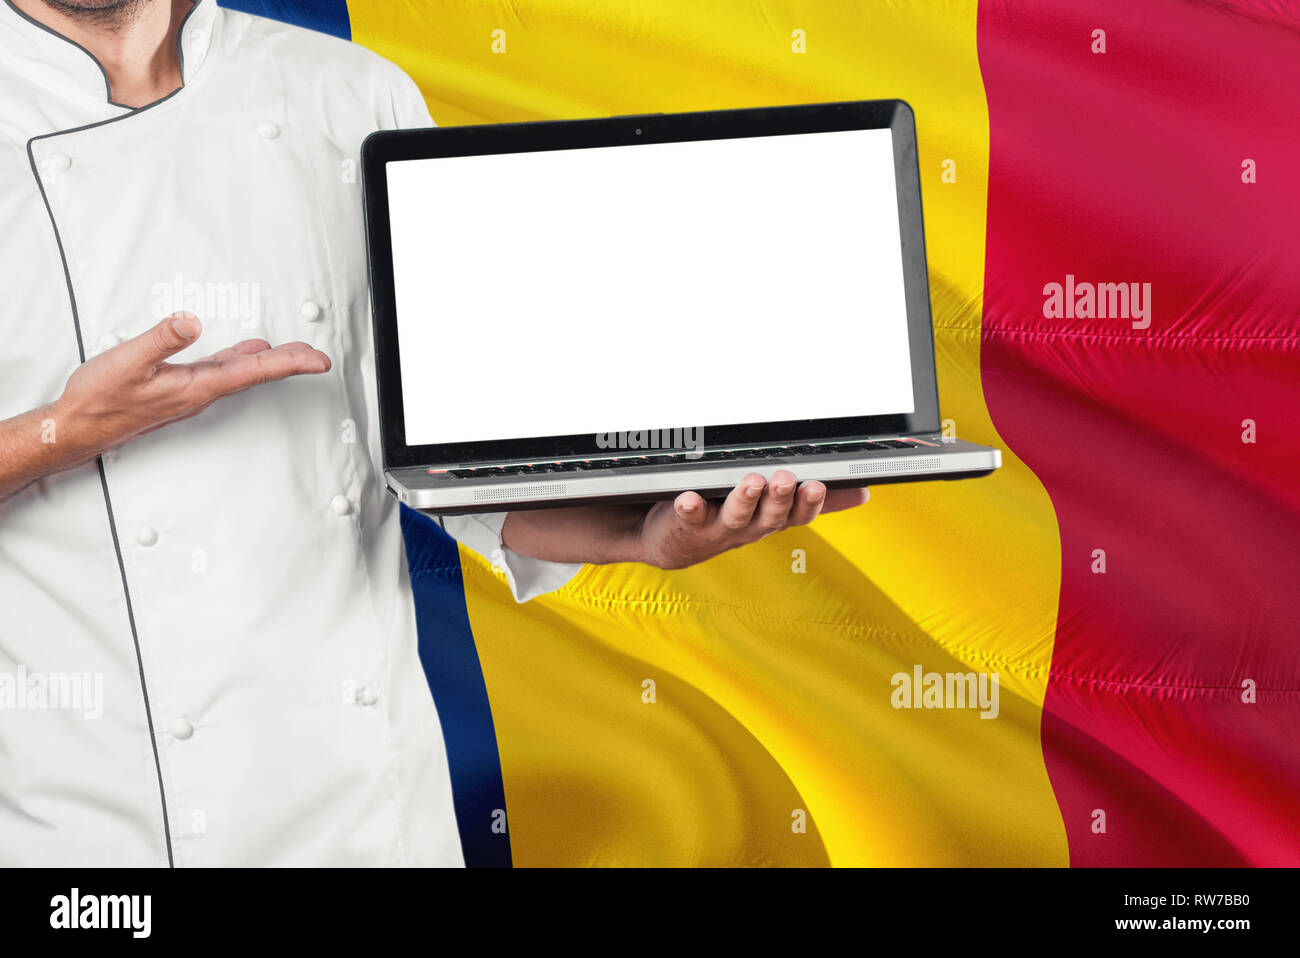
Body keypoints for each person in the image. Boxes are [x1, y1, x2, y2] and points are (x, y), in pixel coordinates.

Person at [0, 0, 868, 865]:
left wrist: (640, 532)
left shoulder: (350, 94)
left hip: (368, 815)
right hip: (88, 832)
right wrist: (60, 433)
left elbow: (440, 456)